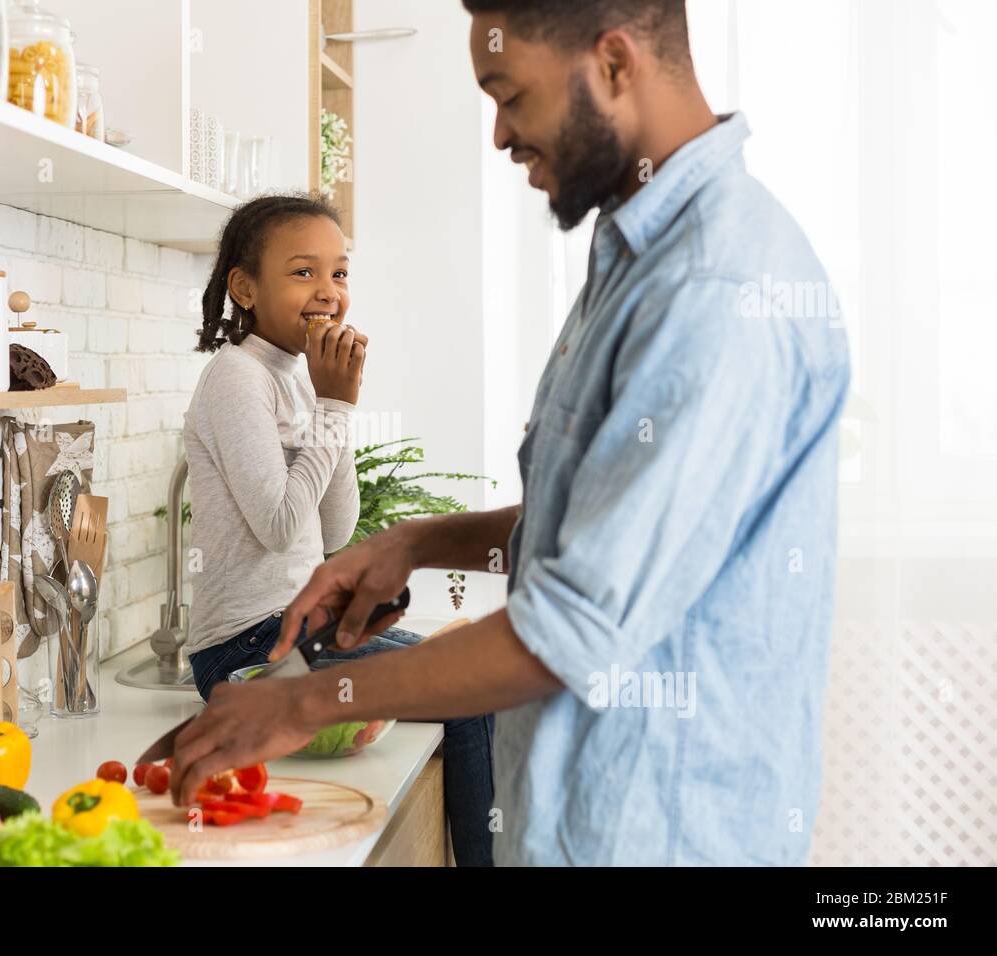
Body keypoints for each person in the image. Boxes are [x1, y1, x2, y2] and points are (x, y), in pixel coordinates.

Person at [168, 0, 850, 866]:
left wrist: (300, 702)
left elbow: (573, 625)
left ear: (612, 63)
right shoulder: (637, 259)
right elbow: (597, 525)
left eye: (509, 94)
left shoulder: (710, 288)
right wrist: (420, 541)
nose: (499, 136)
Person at [180, 193, 496, 865]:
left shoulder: (295, 375)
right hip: (246, 649)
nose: (328, 291)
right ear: (245, 288)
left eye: (340, 273)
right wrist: (331, 405)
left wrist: (335, 407)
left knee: (471, 665)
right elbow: (275, 526)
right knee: (471, 697)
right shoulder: (235, 378)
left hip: (296, 630)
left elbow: (333, 528)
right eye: (303, 272)